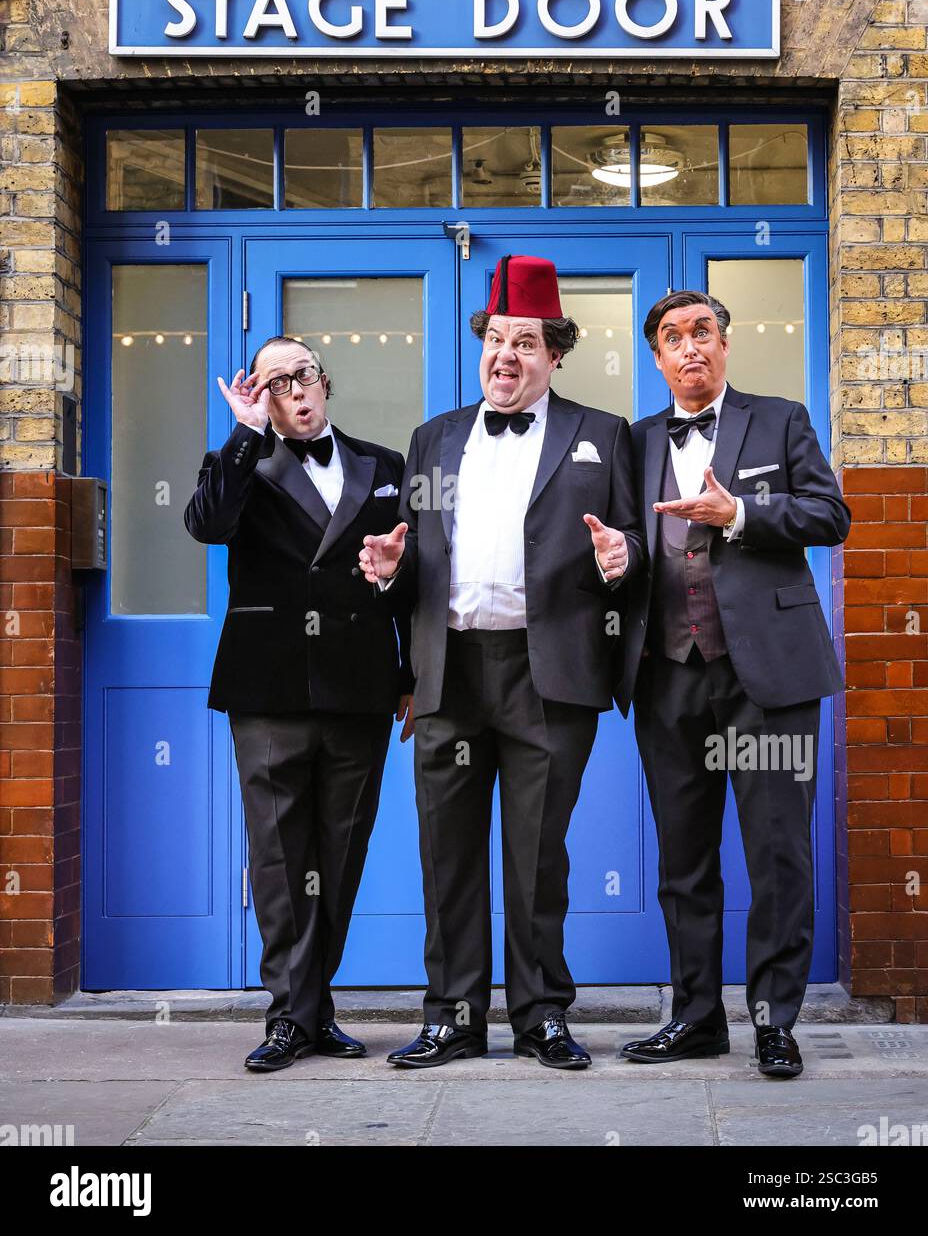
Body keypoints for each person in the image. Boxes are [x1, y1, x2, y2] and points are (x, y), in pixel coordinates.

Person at [359, 254, 643, 1070]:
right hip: (449, 671)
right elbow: (417, 559)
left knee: (536, 853)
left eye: (526, 341)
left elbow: (626, 551)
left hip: (547, 674)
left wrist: (620, 558)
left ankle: (541, 1014)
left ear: (556, 353)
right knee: (445, 851)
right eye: (495, 339)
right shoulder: (434, 438)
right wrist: (387, 572)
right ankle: (451, 1015)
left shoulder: (601, 436)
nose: (506, 355)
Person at [615, 290, 851, 1079]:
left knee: (779, 853)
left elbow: (830, 514)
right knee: (684, 861)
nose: (690, 348)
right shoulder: (637, 440)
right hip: (669, 676)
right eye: (673, 338)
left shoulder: (780, 419)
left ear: (724, 344)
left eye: (703, 333)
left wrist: (741, 513)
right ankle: (695, 1017)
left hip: (770, 677)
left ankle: (774, 1023)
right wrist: (620, 562)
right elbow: (635, 549)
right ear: (657, 357)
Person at [184, 336, 412, 1072]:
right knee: (280, 858)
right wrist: (246, 433)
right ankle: (291, 1014)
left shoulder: (386, 466)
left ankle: (312, 1009)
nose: (297, 391)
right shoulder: (243, 462)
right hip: (270, 689)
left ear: (324, 381)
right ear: (264, 397)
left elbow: (412, 575)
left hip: (360, 690)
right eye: (277, 383)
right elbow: (208, 524)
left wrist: (407, 676)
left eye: (304, 375)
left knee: (340, 857)